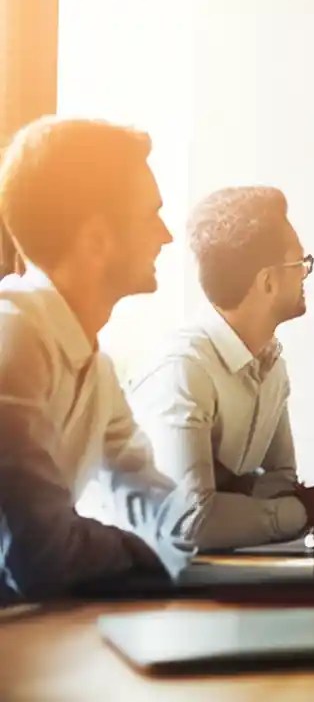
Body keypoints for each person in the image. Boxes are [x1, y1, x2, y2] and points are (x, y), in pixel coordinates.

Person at [0, 117, 191, 601]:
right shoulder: (12, 338)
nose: (166, 235)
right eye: (151, 215)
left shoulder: (95, 366)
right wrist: (140, 553)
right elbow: (40, 554)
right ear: (97, 240)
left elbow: (154, 497)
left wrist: (192, 543)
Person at [129, 187, 314, 550]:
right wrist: (306, 511)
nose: (306, 275)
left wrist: (276, 506)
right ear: (268, 281)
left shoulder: (272, 365)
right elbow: (188, 522)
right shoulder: (183, 371)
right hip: (140, 576)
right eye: (300, 264)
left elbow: (281, 482)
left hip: (214, 568)